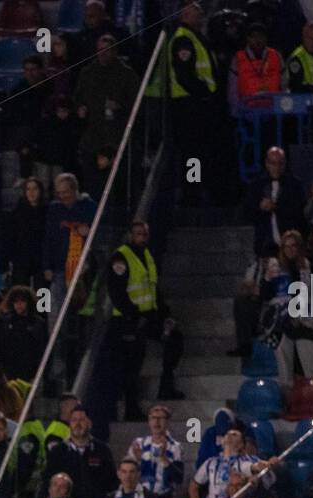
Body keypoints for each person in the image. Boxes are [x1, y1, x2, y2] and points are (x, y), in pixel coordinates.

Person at [106, 219, 185, 411]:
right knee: (133, 363)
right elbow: (117, 292)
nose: (142, 237)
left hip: (149, 314)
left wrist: (165, 314)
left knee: (175, 338)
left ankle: (166, 387)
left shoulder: (147, 254)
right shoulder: (121, 257)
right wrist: (133, 315)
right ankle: (131, 408)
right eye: (138, 234)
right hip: (128, 318)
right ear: (131, 236)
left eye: (144, 234)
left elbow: (152, 287)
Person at [169, 1, 222, 205]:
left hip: (198, 105)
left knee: (198, 150)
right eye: (196, 12)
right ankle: (191, 193)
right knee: (191, 152)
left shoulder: (197, 37)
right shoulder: (183, 39)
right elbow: (184, 75)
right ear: (185, 14)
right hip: (188, 105)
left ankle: (198, 188)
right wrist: (205, 92)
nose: (200, 16)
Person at [72, 35, 139, 191]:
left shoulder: (127, 74)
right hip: (92, 135)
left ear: (115, 51)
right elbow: (77, 97)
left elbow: (138, 104)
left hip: (116, 135)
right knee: (92, 183)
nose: (103, 54)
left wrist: (121, 106)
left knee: (116, 185)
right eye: (100, 50)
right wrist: (80, 107)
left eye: (107, 50)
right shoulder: (88, 72)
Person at [42, 175, 97, 312]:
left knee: (84, 310)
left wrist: (90, 230)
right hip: (59, 267)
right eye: (59, 193)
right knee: (55, 309)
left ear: (74, 189)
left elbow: (101, 233)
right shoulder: (54, 209)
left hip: (83, 269)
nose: (62, 196)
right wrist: (47, 266)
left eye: (65, 192)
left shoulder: (89, 206)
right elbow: (48, 239)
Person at [244, 147, 307, 257]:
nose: (277, 167)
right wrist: (260, 206)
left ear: (285, 164)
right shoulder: (256, 186)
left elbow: (299, 212)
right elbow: (247, 211)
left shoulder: (295, 185)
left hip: (292, 249)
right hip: (266, 247)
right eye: (273, 163)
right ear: (267, 164)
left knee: (311, 272)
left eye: (280, 163)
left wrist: (277, 207)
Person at [286, 22, 313, 94]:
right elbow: (295, 86)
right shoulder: (297, 58)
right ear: (304, 38)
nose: (312, 42)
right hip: (304, 100)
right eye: (309, 38)